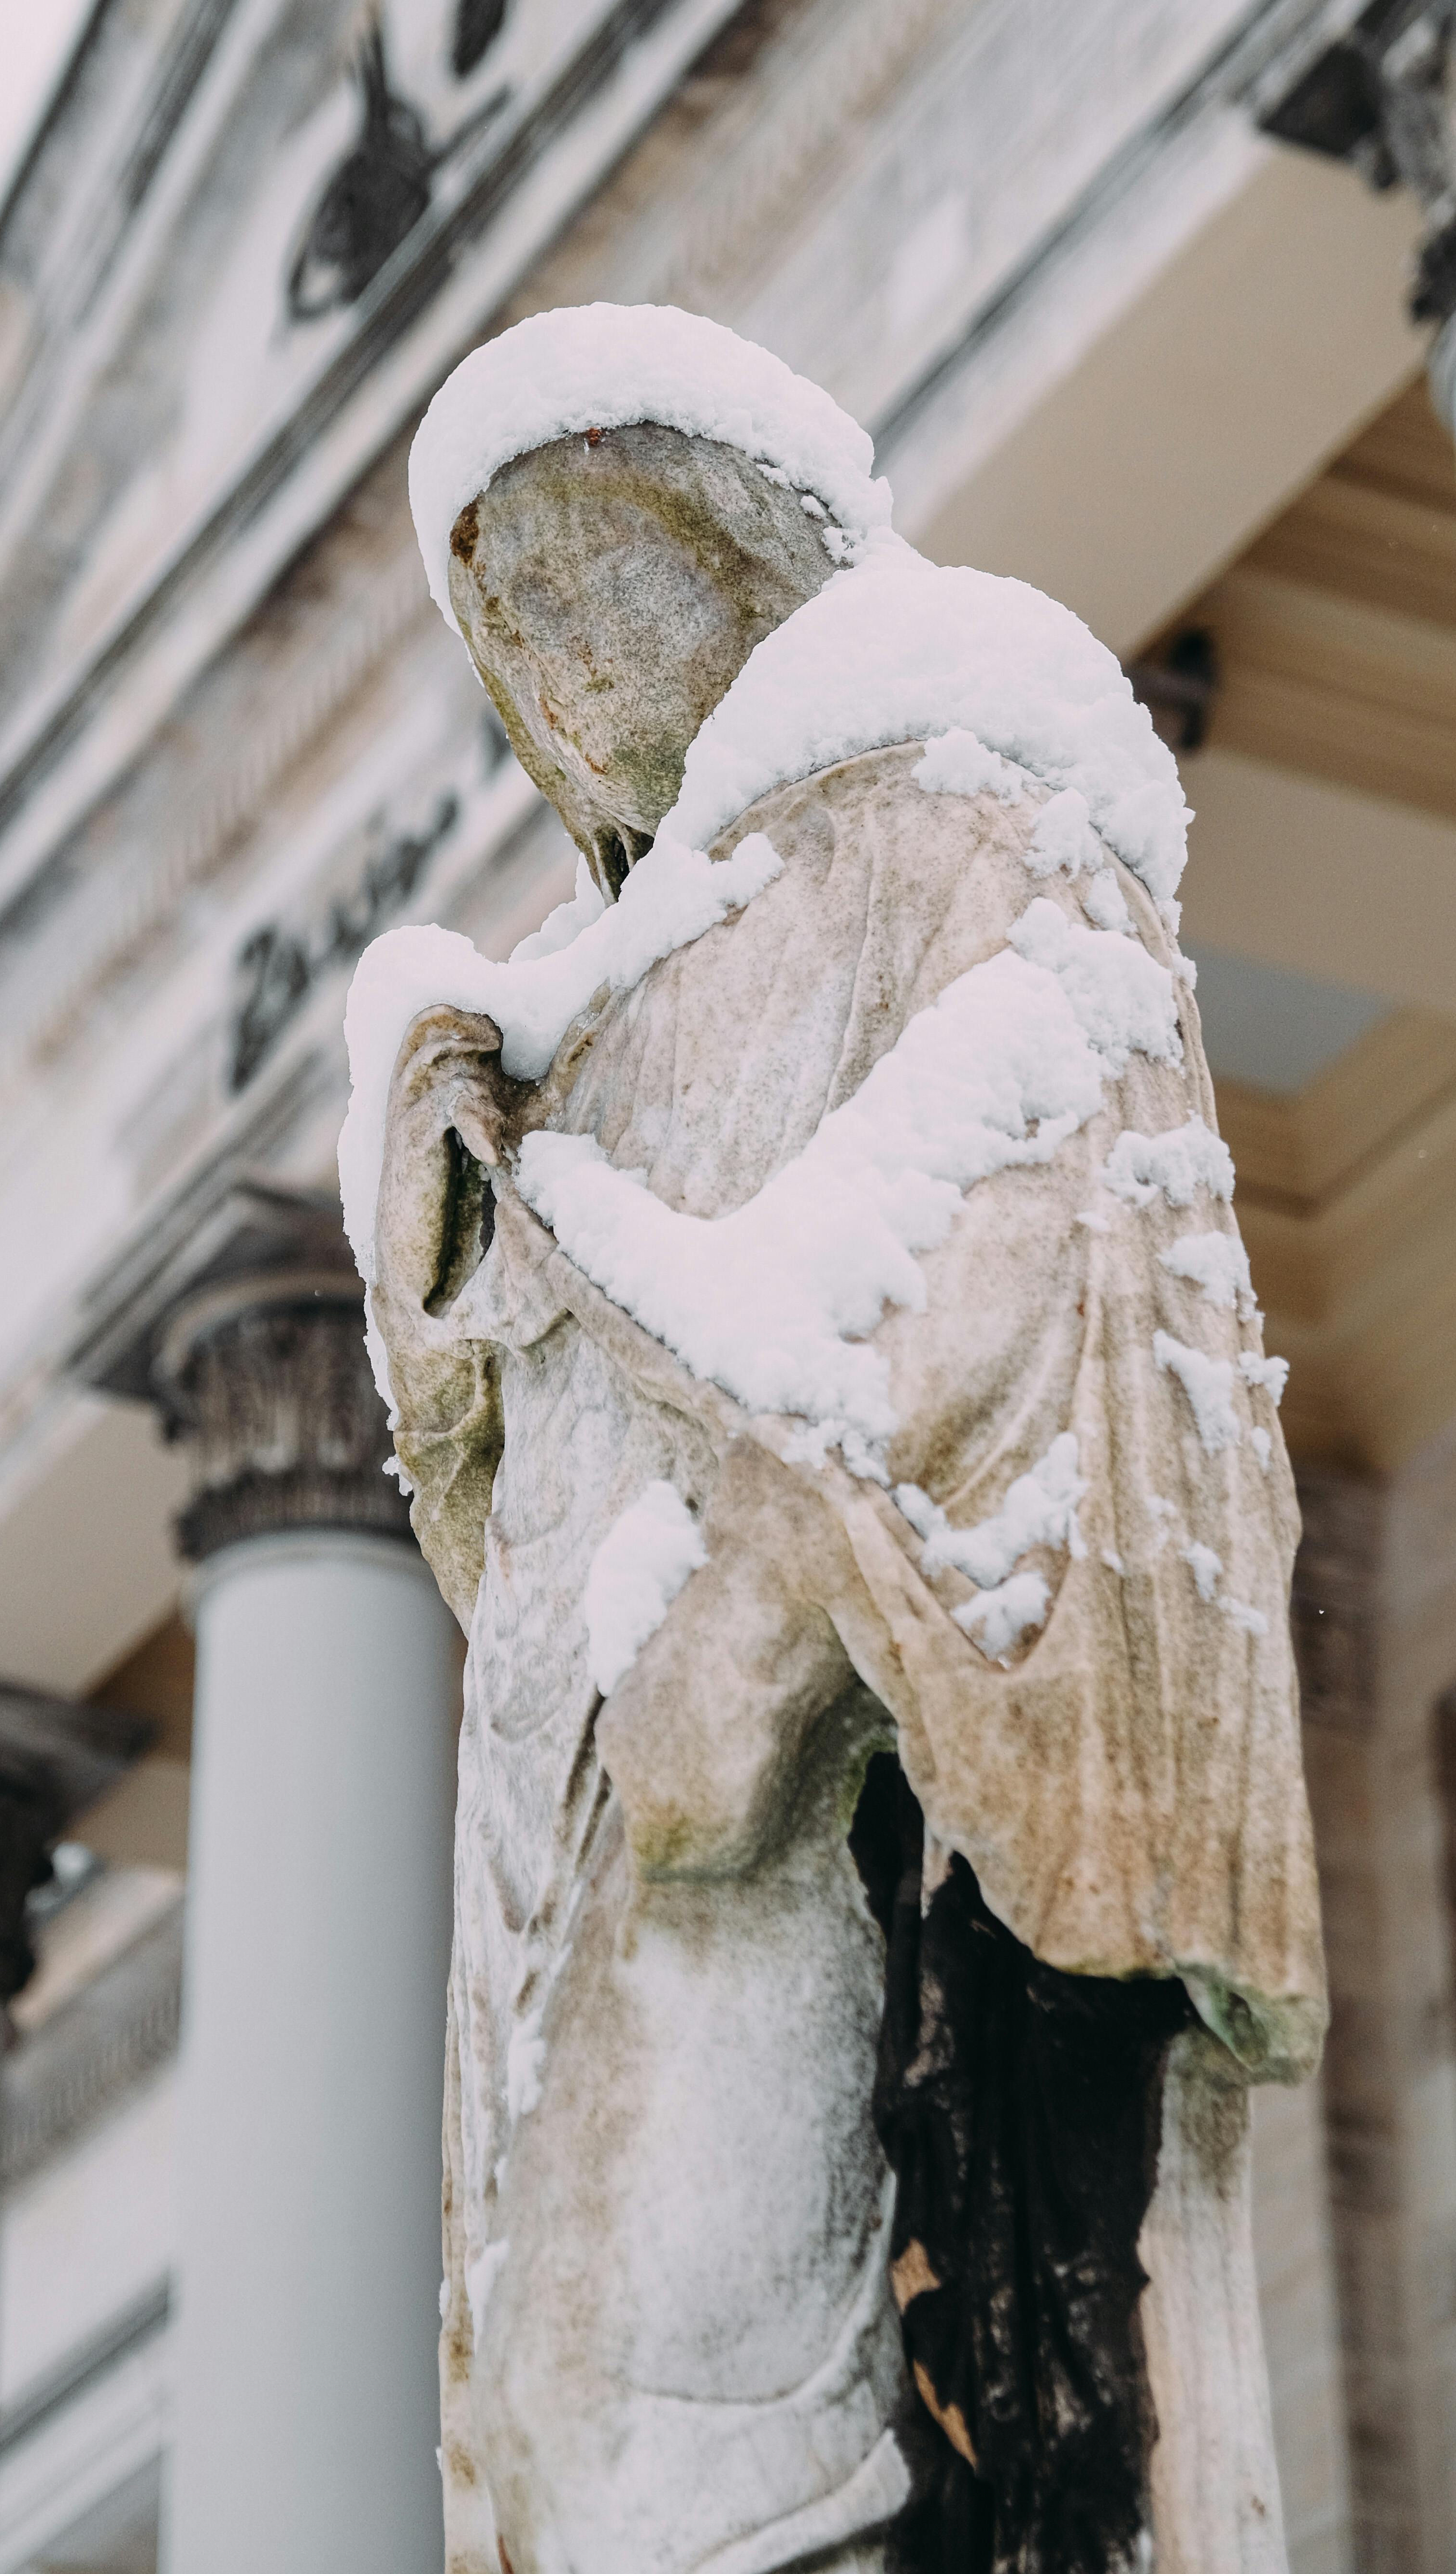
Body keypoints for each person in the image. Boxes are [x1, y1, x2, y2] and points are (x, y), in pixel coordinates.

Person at [347, 305, 1323, 2574]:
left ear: (746, 552)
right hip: (593, 1792)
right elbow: (499, 1505)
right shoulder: (588, 1019)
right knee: (567, 2364)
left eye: (621, 583)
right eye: (530, 636)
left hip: (791, 1719)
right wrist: (450, 1231)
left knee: (705, 2361)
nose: (585, 670)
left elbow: (1032, 1214)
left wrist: (773, 1593)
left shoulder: (938, 801)